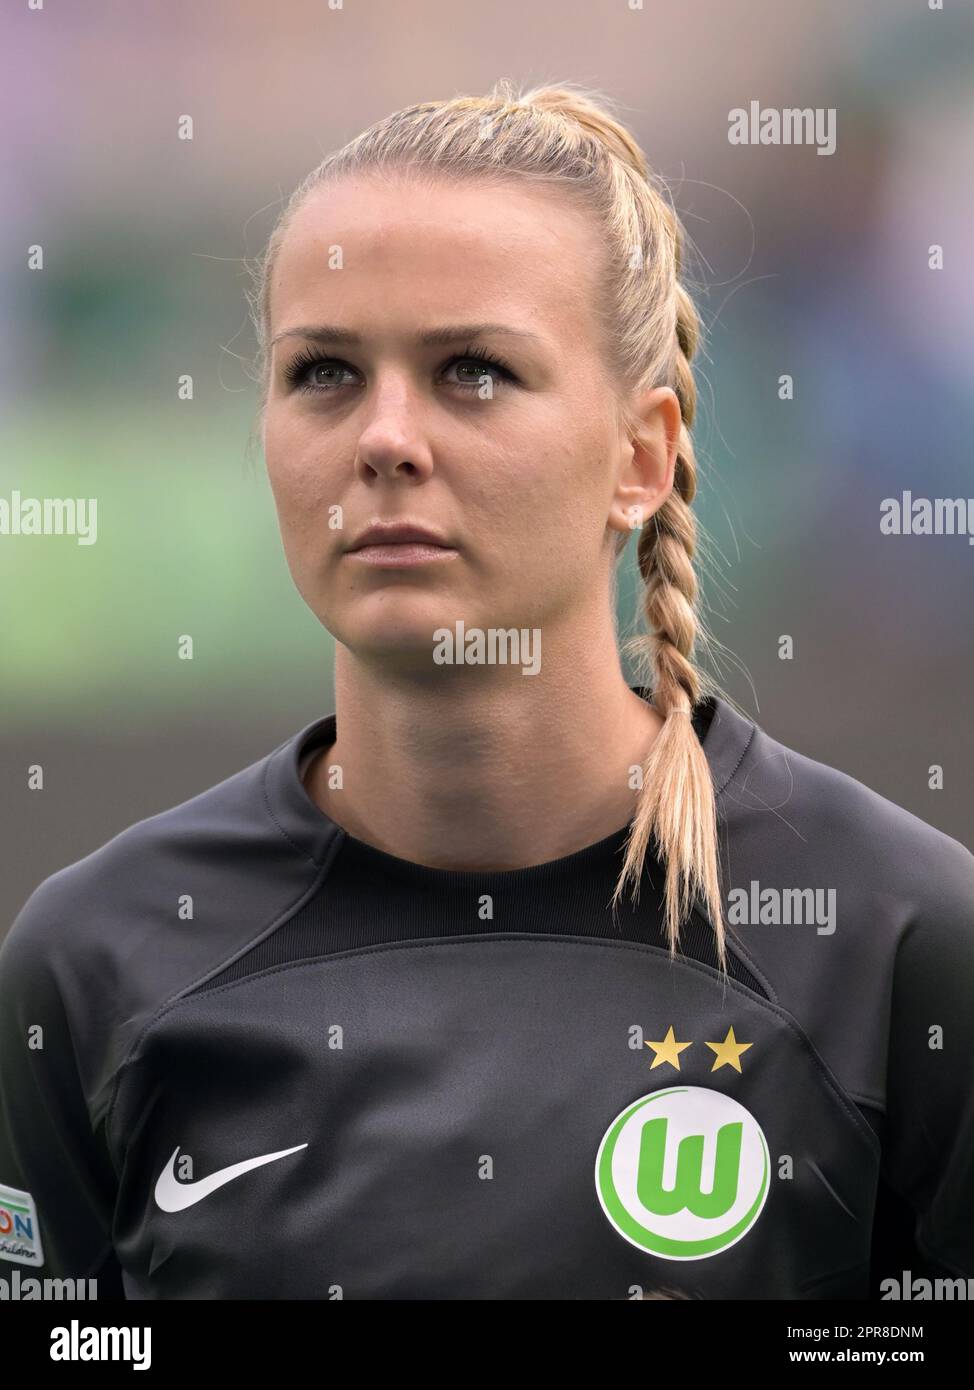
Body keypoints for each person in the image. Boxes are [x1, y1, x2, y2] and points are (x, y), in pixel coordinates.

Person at [1, 79, 972, 1302]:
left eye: (470, 371)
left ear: (642, 455)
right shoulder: (96, 958)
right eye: (323, 374)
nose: (385, 437)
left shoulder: (897, 941)